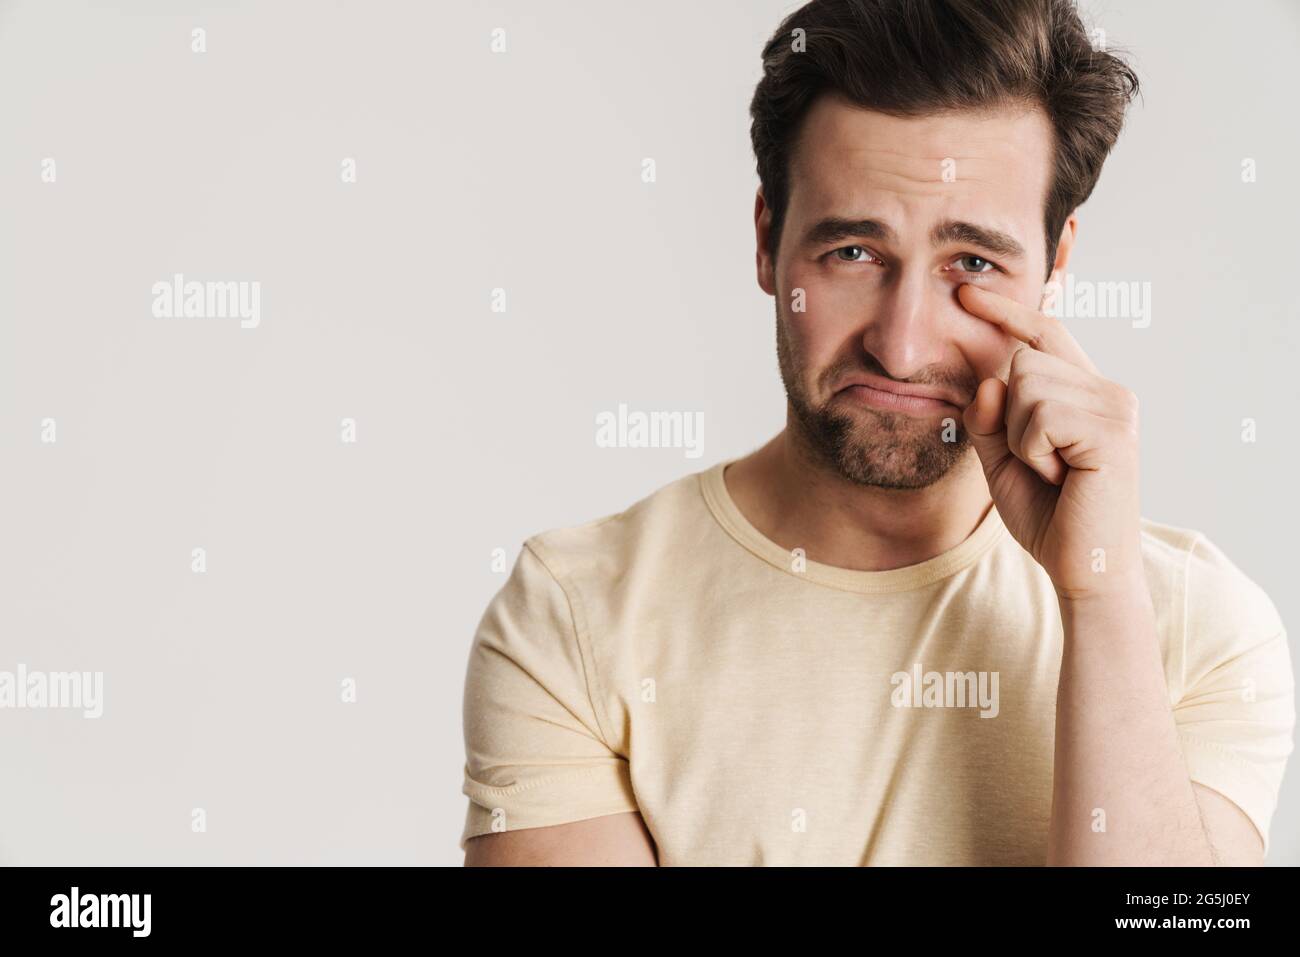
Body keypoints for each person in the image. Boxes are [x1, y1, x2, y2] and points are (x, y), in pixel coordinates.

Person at [459, 0, 1294, 866]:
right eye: (853, 252)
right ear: (765, 240)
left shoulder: (1194, 626)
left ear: (1054, 271)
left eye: (972, 263)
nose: (901, 345)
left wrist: (1101, 597)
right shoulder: (576, 615)